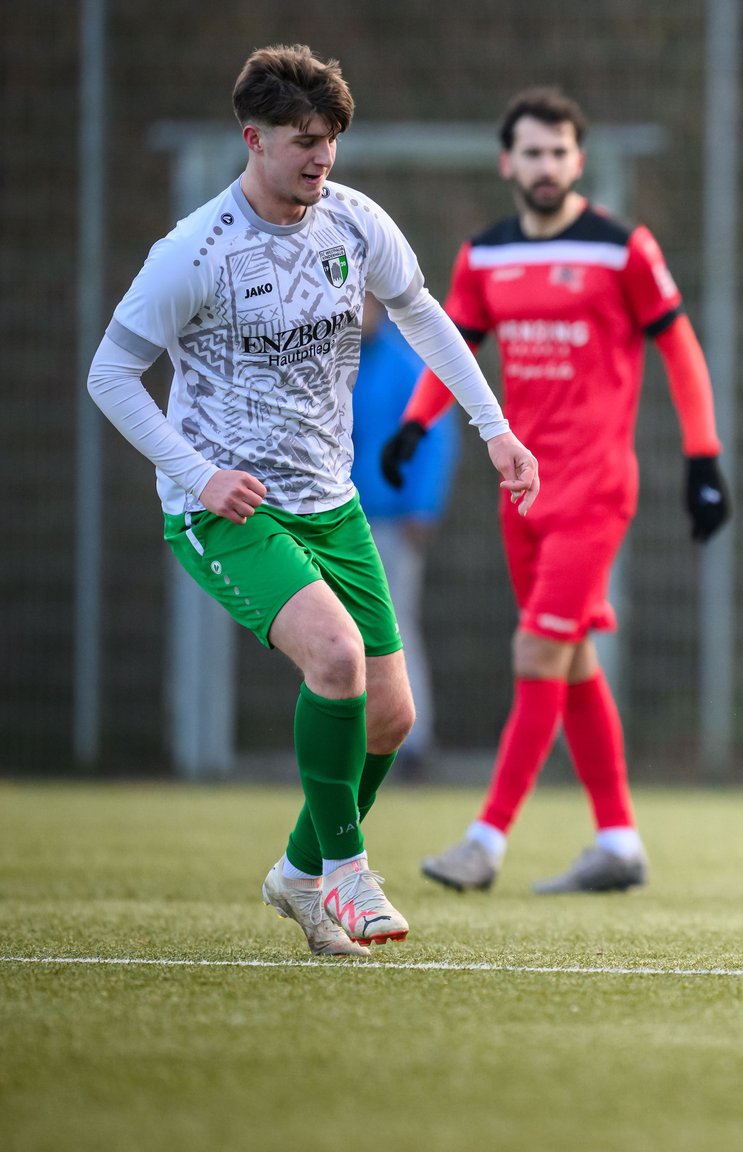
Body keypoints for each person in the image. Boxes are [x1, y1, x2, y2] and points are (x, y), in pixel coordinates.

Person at [85, 45, 540, 956]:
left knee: (392, 714)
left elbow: (422, 314)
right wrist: (199, 472)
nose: (321, 158)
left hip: (331, 503)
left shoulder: (354, 224)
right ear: (252, 140)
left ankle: (296, 875)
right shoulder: (193, 253)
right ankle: (346, 875)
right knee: (335, 659)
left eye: (330, 140)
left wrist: (493, 427)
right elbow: (111, 374)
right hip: (228, 511)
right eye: (303, 141)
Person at [391, 87, 728, 896]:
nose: (545, 166)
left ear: (579, 160)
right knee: (570, 661)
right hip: (521, 493)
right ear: (509, 162)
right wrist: (416, 423)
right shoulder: (483, 256)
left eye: (559, 152)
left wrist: (703, 458)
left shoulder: (624, 249)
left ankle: (485, 841)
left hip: (597, 491)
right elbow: (457, 348)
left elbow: (680, 351)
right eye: (531, 153)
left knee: (537, 650)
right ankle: (618, 842)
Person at [349, 297, 456, 778]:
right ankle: (349, 738)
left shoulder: (404, 362)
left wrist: (422, 504)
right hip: (335, 518)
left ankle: (413, 741)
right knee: (334, 636)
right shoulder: (330, 361)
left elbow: (434, 435)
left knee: (394, 627)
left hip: (391, 520)